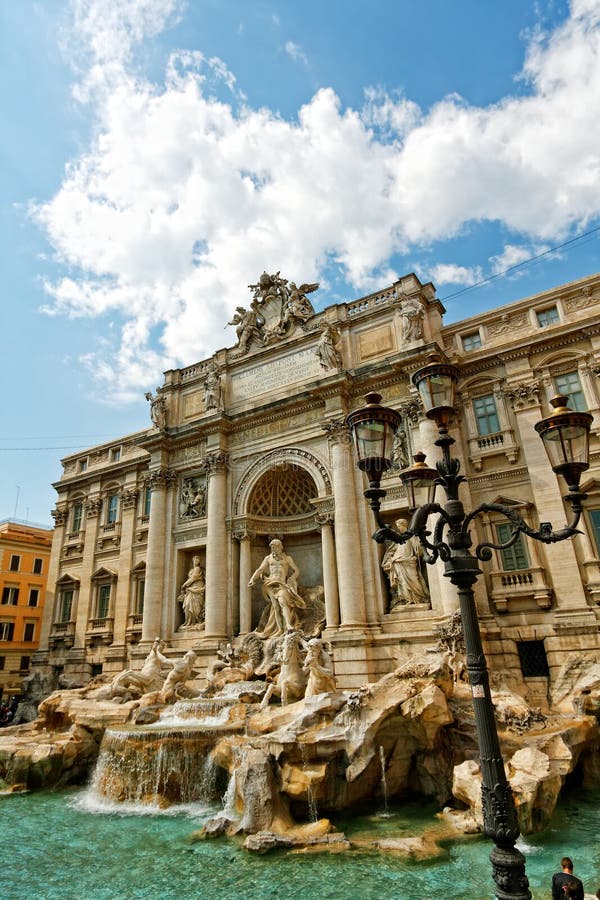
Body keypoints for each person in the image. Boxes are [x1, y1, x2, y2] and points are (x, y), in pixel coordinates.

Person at [248, 538, 305, 636]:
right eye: (272, 547)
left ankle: (288, 625)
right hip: (270, 584)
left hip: (282, 584)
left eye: (275, 547)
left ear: (280, 547)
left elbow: (297, 570)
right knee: (276, 607)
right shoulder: (268, 558)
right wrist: (252, 579)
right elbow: (260, 570)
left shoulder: (287, 558)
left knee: (282, 602)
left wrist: (292, 578)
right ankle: (280, 629)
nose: (273, 549)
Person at [381, 518, 430, 609]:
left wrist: (418, 547)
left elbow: (418, 548)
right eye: (397, 527)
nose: (398, 528)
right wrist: (390, 559)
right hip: (398, 562)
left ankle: (419, 598)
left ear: (404, 525)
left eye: (399, 526)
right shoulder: (398, 538)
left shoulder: (410, 536)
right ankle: (408, 599)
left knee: (414, 580)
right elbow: (392, 550)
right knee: (402, 582)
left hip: (410, 561)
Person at [177, 556, 206, 627]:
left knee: (196, 606)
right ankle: (188, 622)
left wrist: (184, 585)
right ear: (193, 561)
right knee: (187, 605)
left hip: (197, 587)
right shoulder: (191, 570)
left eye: (198, 560)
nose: (196, 561)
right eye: (195, 560)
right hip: (190, 589)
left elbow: (193, 578)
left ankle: (196, 621)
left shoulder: (198, 569)